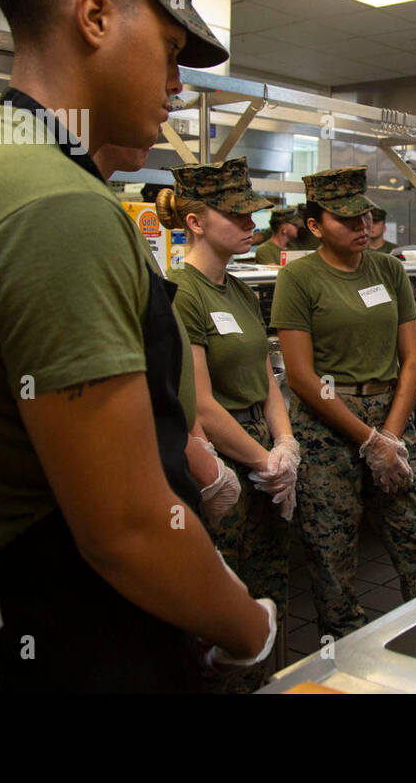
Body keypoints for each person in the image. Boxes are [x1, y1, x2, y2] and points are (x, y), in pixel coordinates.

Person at [0, 0, 274, 693]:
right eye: (170, 49)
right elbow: (125, 530)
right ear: (94, 17)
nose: (176, 83)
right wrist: (248, 625)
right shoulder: (59, 207)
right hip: (69, 635)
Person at [271, 167, 416, 638]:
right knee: (332, 554)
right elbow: (302, 377)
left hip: (390, 414)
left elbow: (411, 359)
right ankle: (347, 660)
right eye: (347, 219)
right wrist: (366, 439)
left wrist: (390, 435)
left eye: (366, 217)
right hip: (327, 424)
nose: (363, 227)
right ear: (314, 226)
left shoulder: (388, 269)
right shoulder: (300, 278)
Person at [158, 158, 298, 692]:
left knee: (269, 588)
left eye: (253, 215)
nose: (251, 225)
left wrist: (285, 444)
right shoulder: (181, 292)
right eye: (236, 215)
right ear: (194, 222)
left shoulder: (239, 290)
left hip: (264, 455)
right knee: (225, 596)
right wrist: (263, 461)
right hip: (221, 463)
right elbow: (201, 404)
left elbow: (266, 380)